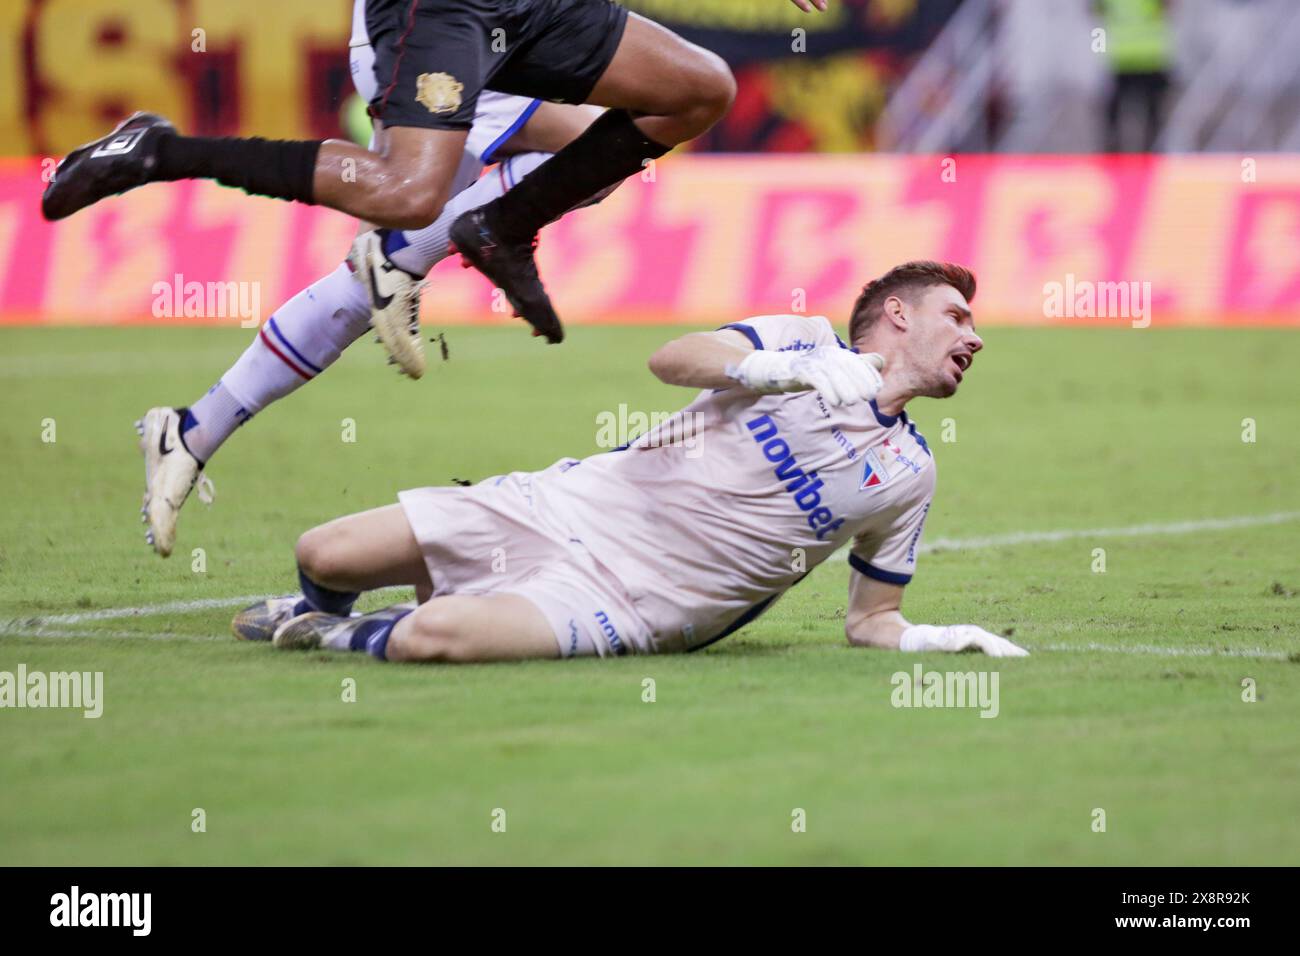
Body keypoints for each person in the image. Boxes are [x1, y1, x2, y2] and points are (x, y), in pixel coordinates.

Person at [232, 260, 1030, 661]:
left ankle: (335, 636)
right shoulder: (802, 341)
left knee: (429, 636)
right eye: (957, 316)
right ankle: (324, 607)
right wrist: (769, 369)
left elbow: (870, 621)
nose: (976, 337)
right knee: (324, 552)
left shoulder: (909, 472)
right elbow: (672, 358)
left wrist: (936, 640)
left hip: (634, 602)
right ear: (896, 315)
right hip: (570, 507)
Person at [134, 12, 618, 558]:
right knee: (601, 142)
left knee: (363, 286)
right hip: (446, 28)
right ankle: (405, 253)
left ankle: (193, 430)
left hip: (440, 30)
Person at [40, 0, 744, 345]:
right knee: (407, 194)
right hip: (442, 9)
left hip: (533, 6)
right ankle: (160, 151)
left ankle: (503, 227)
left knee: (701, 88)